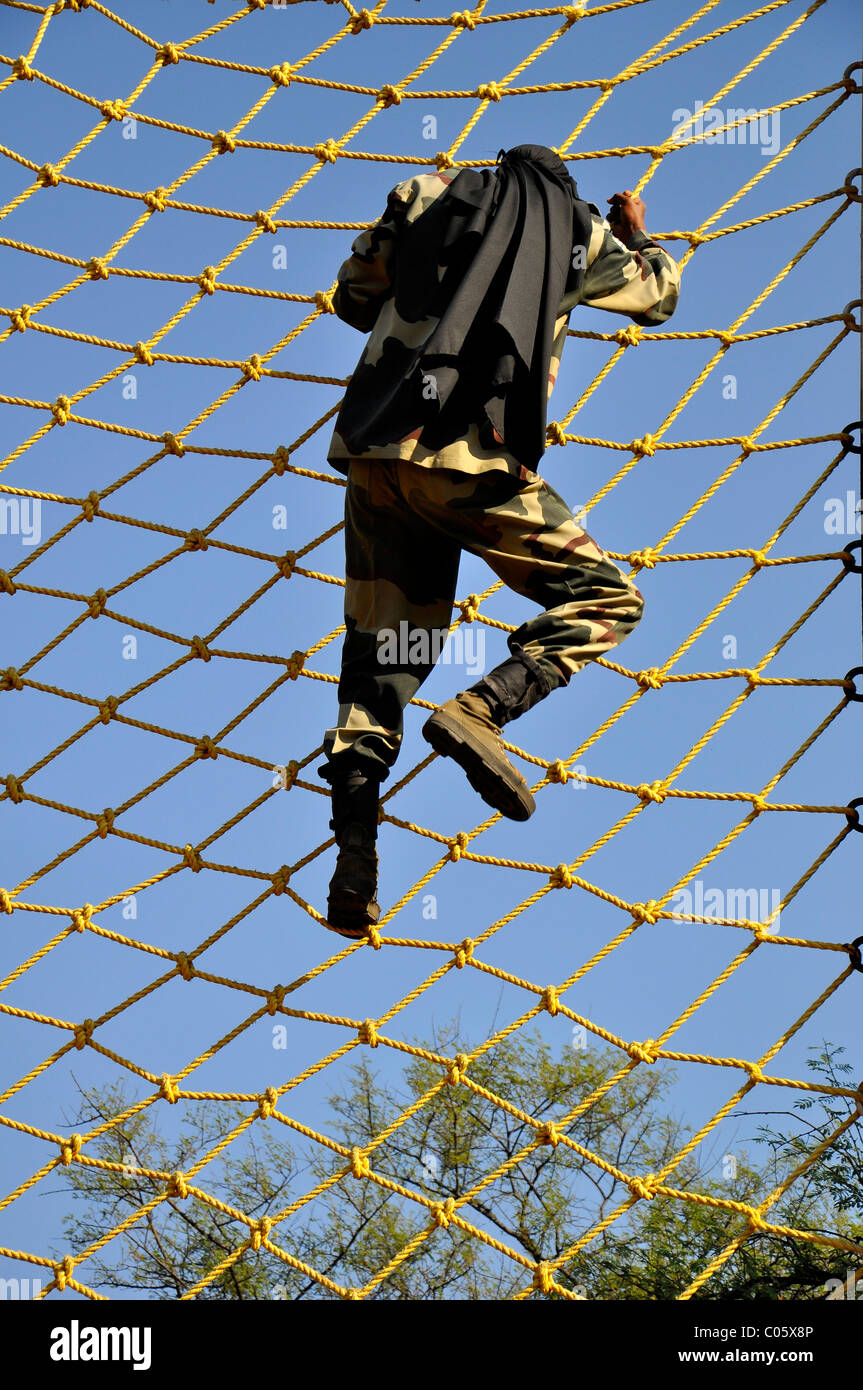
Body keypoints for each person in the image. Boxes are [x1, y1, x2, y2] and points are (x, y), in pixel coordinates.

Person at [317, 144, 681, 938]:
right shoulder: (579, 231)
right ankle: (482, 710)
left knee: (378, 667)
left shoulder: (422, 191)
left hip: (377, 457)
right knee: (607, 596)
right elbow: (657, 298)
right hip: (472, 460)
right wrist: (638, 231)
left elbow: (353, 294)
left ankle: (354, 861)